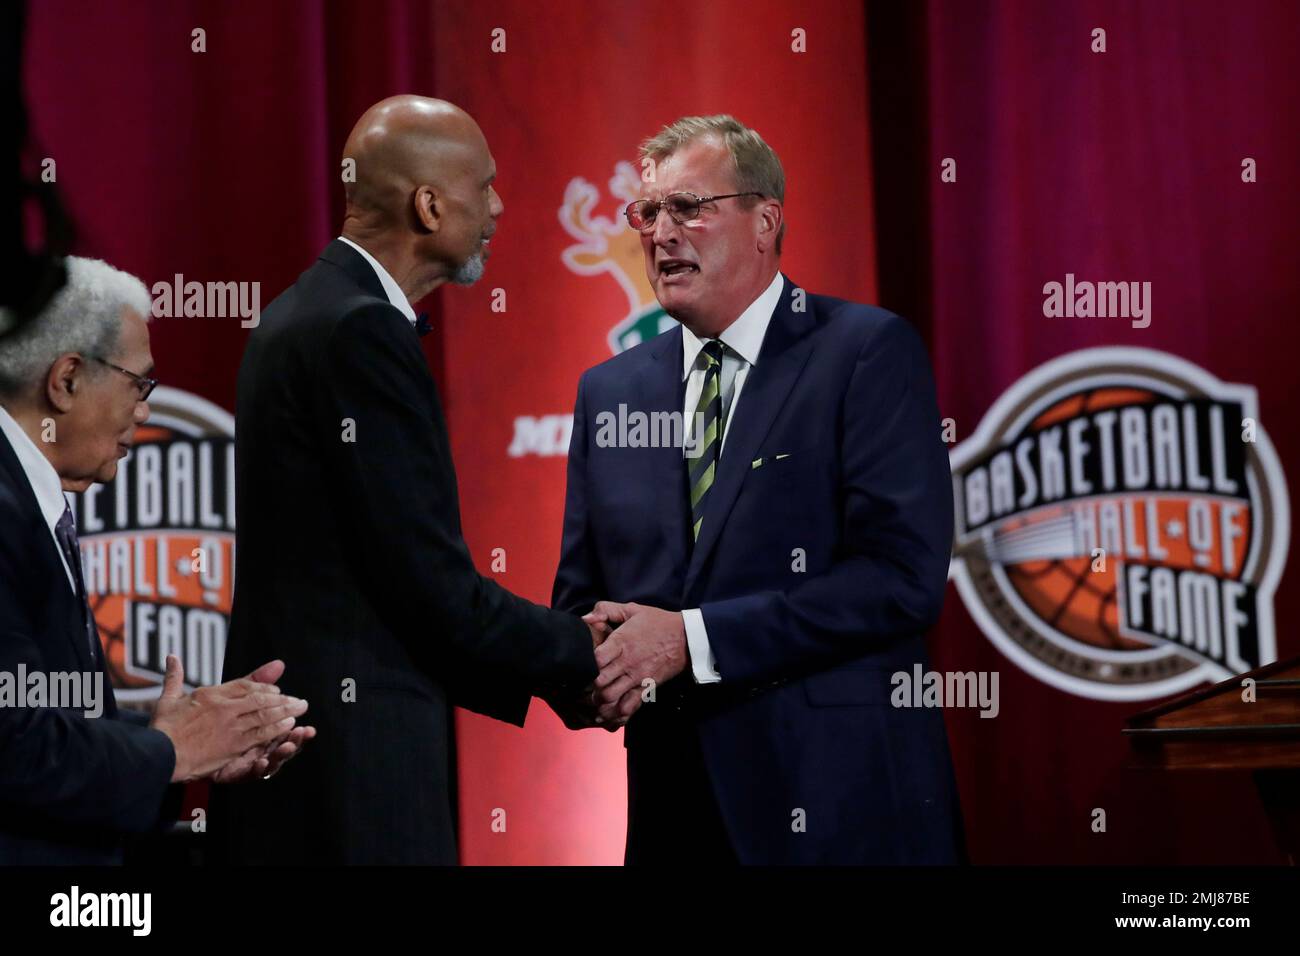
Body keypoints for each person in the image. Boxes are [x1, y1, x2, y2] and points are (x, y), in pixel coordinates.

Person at [552, 115, 966, 864]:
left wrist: (691, 640)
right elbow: (584, 595)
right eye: (648, 212)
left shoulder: (864, 353)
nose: (660, 233)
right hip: (677, 816)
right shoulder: (609, 392)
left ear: (765, 220)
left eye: (689, 207)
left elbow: (901, 581)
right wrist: (586, 666)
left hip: (843, 809)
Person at [213, 96, 601, 864]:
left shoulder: (300, 310)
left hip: (306, 758)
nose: (499, 206)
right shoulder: (360, 330)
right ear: (428, 205)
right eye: (484, 186)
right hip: (357, 775)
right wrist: (589, 656)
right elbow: (428, 584)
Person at [0, 256, 312, 865]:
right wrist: (173, 751)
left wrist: (175, 750)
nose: (144, 411)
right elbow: (14, 744)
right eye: (137, 384)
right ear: (65, 380)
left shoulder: (32, 497)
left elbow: (49, 735)